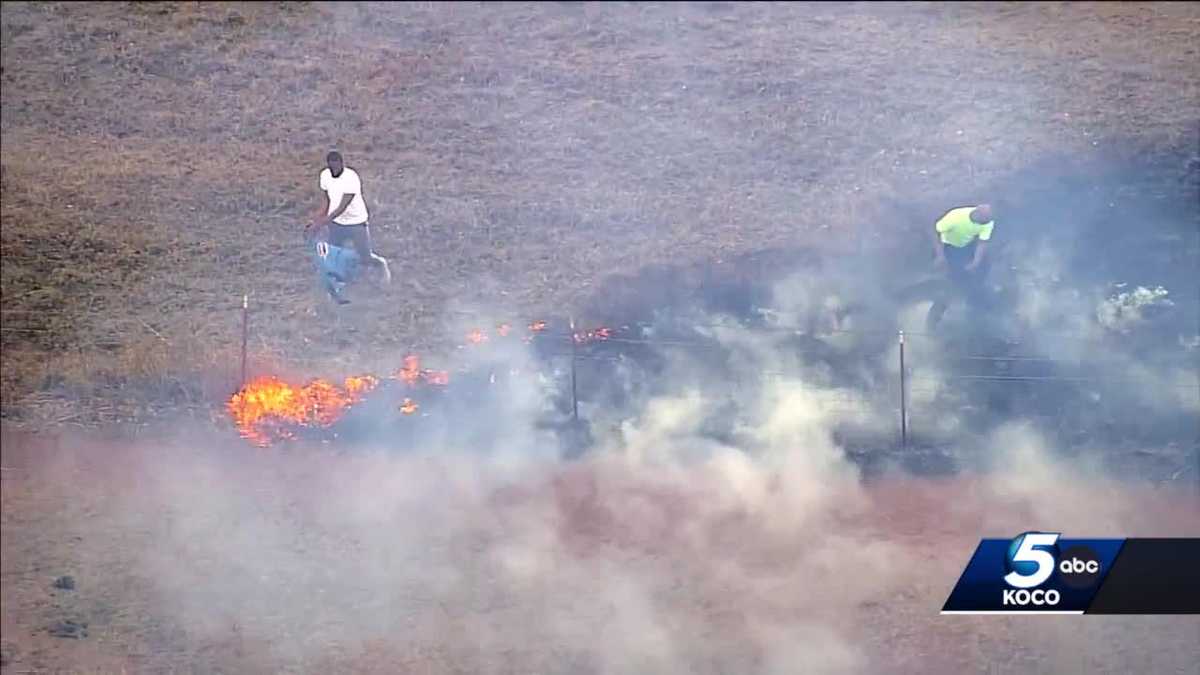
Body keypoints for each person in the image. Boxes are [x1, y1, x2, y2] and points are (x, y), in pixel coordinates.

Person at [307, 151, 391, 285]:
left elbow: (342, 207)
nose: (333, 169)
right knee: (333, 256)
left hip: (356, 222)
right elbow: (328, 201)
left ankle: (381, 263)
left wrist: (321, 223)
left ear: (341, 164)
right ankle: (338, 283)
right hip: (336, 224)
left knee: (365, 257)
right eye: (331, 166)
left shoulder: (350, 177)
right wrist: (316, 219)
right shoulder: (325, 176)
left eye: (336, 166)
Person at [926, 203, 994, 331]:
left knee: (980, 273)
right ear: (977, 214)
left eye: (987, 221)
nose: (986, 224)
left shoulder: (987, 221)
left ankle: (975, 303)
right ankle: (935, 318)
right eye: (983, 221)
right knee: (952, 282)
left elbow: (982, 242)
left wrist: (976, 261)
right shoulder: (956, 216)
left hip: (966, 246)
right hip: (947, 247)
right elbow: (935, 232)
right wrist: (940, 255)